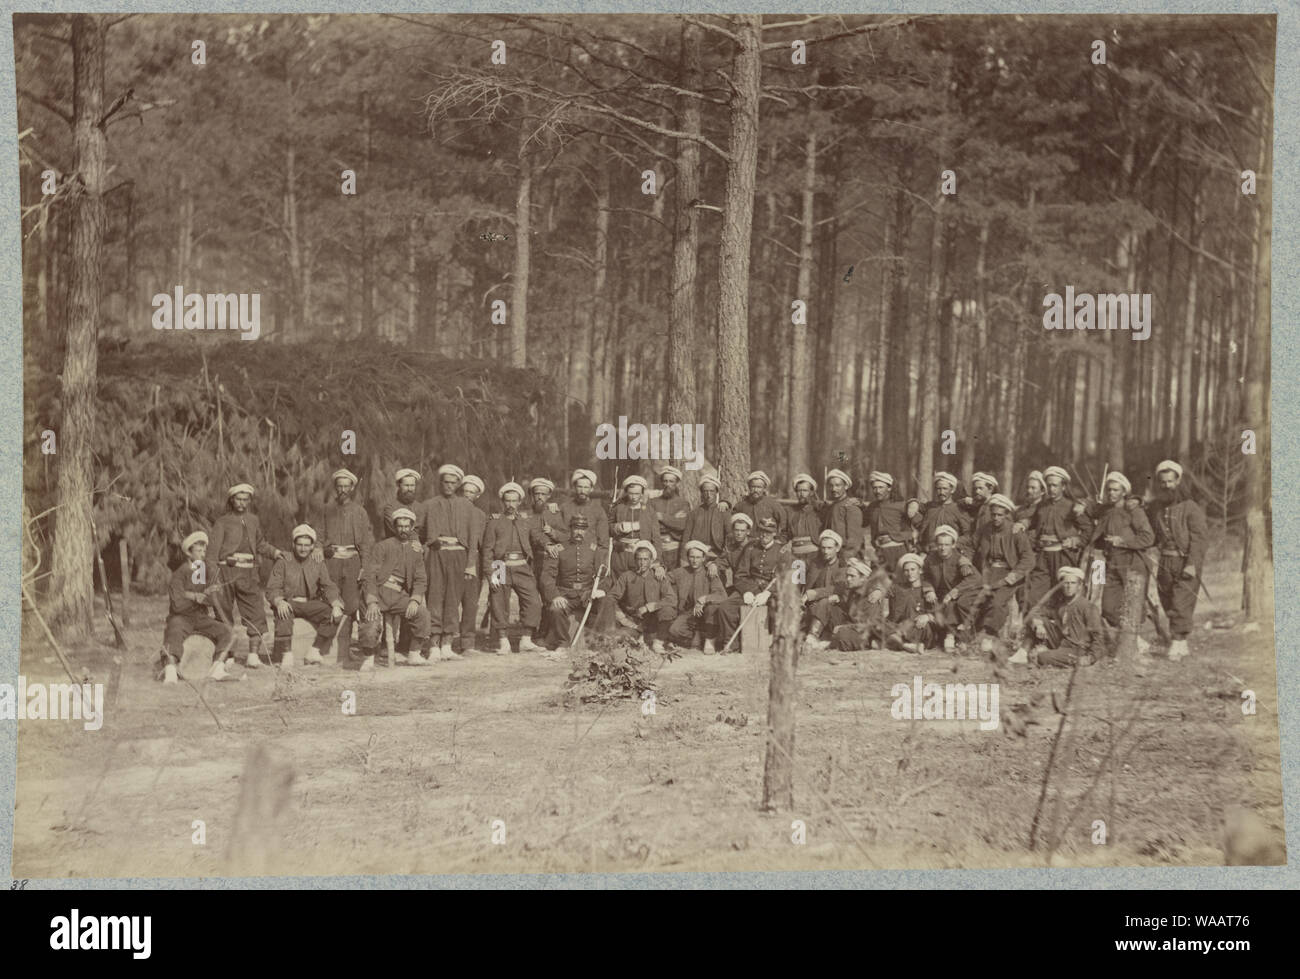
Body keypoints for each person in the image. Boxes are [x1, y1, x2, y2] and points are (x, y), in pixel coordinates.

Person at [208, 482, 284, 668]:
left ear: (249, 501)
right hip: (226, 571)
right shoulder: (222, 522)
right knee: (223, 614)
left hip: (249, 573)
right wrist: (213, 579)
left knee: (256, 611)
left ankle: (253, 655)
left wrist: (275, 553)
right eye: (238, 499)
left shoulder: (253, 520)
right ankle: (228, 655)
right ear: (232, 500)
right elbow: (211, 554)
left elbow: (260, 544)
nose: (241, 503)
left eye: (245, 499)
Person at [358, 508, 432, 670]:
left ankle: (414, 653)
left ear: (412, 527)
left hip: (399, 595)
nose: (403, 529)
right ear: (394, 527)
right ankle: (369, 657)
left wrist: (414, 599)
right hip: (379, 592)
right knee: (371, 624)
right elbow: (370, 576)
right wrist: (371, 601)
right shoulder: (382, 547)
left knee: (422, 614)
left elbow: (421, 578)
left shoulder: (415, 551)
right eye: (400, 526)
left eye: (407, 526)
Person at [1148, 459, 1207, 661]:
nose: (1166, 486)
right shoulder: (1155, 508)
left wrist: (1192, 565)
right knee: (1167, 600)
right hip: (1165, 562)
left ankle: (1177, 641)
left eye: (1170, 481)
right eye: (1163, 482)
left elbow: (1199, 539)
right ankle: (1181, 641)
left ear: (1178, 481)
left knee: (1181, 602)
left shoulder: (1190, 508)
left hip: (1186, 562)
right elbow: (1148, 531)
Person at [266, 524, 346, 669]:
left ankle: (314, 651)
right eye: (300, 545)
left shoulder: (317, 561)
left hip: (309, 603)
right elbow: (273, 587)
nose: (303, 549)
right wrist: (279, 601)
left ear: (312, 546)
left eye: (306, 545)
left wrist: (335, 603)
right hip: (289, 602)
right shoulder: (284, 560)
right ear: (293, 544)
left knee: (332, 614)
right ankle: (286, 654)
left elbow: (328, 584)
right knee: (283, 613)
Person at [422, 463, 479, 661]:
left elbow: (473, 539)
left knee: (453, 601)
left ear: (458, 485)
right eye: (445, 482)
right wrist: (428, 542)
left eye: (453, 483)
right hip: (437, 556)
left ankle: (447, 644)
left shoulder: (467, 506)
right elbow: (418, 531)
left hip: (459, 556)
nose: (449, 486)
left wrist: (471, 564)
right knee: (435, 598)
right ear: (440, 483)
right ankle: (434, 646)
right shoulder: (429, 505)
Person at [159, 531, 233, 683]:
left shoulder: (204, 572)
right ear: (189, 553)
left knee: (226, 631)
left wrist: (212, 594)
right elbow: (178, 605)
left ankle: (217, 668)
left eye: (204, 551)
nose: (203, 554)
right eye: (199, 551)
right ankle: (171, 670)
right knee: (174, 631)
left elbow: (213, 600)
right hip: (181, 617)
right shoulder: (179, 574)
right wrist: (195, 597)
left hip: (201, 618)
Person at [319, 467, 373, 667]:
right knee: (330, 602)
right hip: (331, 562)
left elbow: (366, 543)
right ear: (335, 488)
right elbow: (319, 535)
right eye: (339, 486)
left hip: (352, 562)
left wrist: (364, 567)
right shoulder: (326, 509)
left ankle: (344, 652)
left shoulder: (359, 511)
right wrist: (323, 550)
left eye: (346, 486)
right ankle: (327, 650)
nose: (342, 490)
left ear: (352, 488)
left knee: (350, 605)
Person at [1087, 472, 1155, 633]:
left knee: (1133, 604)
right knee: (1108, 608)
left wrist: (1123, 542)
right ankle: (1125, 636)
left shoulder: (1133, 510)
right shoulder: (1106, 511)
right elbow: (1091, 513)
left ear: (1124, 492)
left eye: (1116, 490)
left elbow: (1148, 537)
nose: (1111, 493)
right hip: (1110, 562)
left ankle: (1134, 641)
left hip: (1133, 562)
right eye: (1109, 490)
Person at [482, 481, 544, 654]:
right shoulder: (494, 522)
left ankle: (525, 639)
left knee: (533, 601)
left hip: (522, 565)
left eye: (514, 501)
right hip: (500, 565)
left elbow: (537, 538)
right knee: (498, 602)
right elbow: (487, 551)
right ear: (503, 501)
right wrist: (490, 574)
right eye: (507, 501)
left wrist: (549, 544)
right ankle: (503, 642)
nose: (510, 504)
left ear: (519, 502)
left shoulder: (526, 521)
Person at [971, 494, 1035, 655]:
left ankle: (990, 634)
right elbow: (972, 543)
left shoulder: (1015, 531)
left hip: (1008, 572)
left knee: (998, 602)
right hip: (988, 571)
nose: (996, 518)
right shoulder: (985, 529)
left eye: (1000, 515)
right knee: (974, 595)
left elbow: (1028, 559)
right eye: (993, 514)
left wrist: (1012, 577)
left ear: (1006, 514)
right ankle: (969, 633)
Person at [714, 515, 789, 649]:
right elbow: (740, 574)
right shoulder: (750, 548)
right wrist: (748, 591)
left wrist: (768, 593)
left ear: (774, 533)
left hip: (771, 590)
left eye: (768, 532)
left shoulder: (782, 551)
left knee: (781, 608)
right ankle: (732, 644)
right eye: (762, 531)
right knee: (725, 608)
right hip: (750, 587)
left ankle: (776, 643)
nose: (764, 534)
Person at [1024, 465, 1092, 611]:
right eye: (1048, 485)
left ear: (1063, 487)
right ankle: (1037, 627)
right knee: (1034, 594)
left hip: (1063, 556)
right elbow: (1032, 522)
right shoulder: (1042, 506)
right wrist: (1024, 523)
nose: (1051, 489)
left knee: (1062, 594)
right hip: (1043, 556)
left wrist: (1076, 541)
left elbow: (1088, 529)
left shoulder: (1072, 506)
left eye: (1055, 485)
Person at [539, 513, 606, 650]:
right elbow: (547, 576)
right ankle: (563, 642)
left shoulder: (594, 549)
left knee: (605, 604)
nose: (579, 532)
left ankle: (598, 642)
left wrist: (596, 590)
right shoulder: (559, 549)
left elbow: (603, 574)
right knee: (555, 609)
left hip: (587, 593)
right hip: (565, 593)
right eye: (576, 528)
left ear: (586, 530)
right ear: (570, 529)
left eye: (582, 529)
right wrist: (555, 595)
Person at [1027, 566, 1107, 666]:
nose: (1069, 586)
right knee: (1039, 621)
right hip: (1063, 642)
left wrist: (1091, 658)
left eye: (1073, 583)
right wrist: (1038, 624)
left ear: (1079, 586)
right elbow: (1037, 612)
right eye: (1066, 583)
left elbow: (1098, 636)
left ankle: (1053, 655)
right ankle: (1032, 650)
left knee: (1043, 657)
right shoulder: (1062, 605)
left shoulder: (1087, 607)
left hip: (1078, 649)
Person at [608, 541, 677, 653]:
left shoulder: (658, 576)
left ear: (651, 561)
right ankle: (638, 638)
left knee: (668, 610)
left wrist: (651, 606)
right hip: (634, 621)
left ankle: (658, 642)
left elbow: (672, 599)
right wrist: (621, 617)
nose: (642, 563)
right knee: (620, 638)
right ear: (635, 560)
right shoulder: (626, 576)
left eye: (645, 559)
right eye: (639, 559)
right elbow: (611, 597)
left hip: (653, 619)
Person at [922, 524, 982, 652]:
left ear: (953, 545)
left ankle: (954, 636)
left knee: (953, 604)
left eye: (946, 544)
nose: (942, 548)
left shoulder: (960, 559)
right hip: (938, 594)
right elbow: (925, 576)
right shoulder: (930, 558)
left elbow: (975, 579)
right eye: (940, 544)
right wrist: (929, 590)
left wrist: (955, 592)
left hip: (957, 593)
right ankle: (935, 635)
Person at [666, 540, 727, 652]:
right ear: (687, 557)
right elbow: (664, 579)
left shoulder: (710, 573)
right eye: (692, 557)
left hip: (705, 612)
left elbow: (722, 596)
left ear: (704, 558)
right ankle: (696, 635)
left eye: (698, 557)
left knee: (712, 608)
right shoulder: (680, 572)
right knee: (673, 630)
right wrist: (658, 569)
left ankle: (709, 639)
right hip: (689, 613)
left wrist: (704, 599)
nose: (694, 560)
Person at [829, 557, 890, 651]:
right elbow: (849, 613)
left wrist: (844, 627)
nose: (848, 579)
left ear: (863, 578)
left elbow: (869, 624)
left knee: (842, 634)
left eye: (852, 576)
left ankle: (872, 644)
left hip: (866, 633)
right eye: (847, 576)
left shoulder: (871, 595)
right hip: (853, 628)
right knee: (829, 608)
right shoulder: (853, 592)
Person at [458, 474, 489, 653]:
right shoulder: (453, 509)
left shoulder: (480, 515)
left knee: (471, 603)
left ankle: (467, 643)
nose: (467, 495)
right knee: (450, 601)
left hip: (474, 560)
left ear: (477, 496)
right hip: (455, 557)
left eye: (472, 492)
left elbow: (484, 542)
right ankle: (443, 642)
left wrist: (485, 570)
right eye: (465, 491)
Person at [801, 529, 848, 648]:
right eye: (823, 548)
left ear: (837, 548)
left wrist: (814, 593)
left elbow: (838, 589)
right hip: (812, 607)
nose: (825, 551)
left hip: (836, 610)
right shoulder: (815, 564)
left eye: (829, 548)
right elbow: (802, 582)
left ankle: (812, 636)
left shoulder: (843, 566)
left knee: (824, 602)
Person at [610, 475, 661, 575]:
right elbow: (606, 529)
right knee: (618, 582)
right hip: (620, 555)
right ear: (626, 493)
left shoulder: (649, 511)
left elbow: (656, 537)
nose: (634, 497)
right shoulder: (618, 508)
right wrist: (617, 527)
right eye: (631, 493)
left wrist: (657, 560)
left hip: (641, 556)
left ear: (642, 493)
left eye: (637, 494)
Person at [864, 471, 911, 572]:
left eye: (881, 487)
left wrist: (915, 502)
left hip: (898, 551)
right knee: (877, 584)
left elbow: (919, 522)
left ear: (889, 488)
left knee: (900, 582)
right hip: (879, 552)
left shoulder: (901, 505)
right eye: (874, 488)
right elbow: (862, 522)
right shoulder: (871, 507)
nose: (877, 491)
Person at [912, 471, 971, 551]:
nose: (941, 492)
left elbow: (967, 535)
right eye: (938, 489)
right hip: (928, 551)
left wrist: (952, 544)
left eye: (945, 489)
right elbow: (919, 522)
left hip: (949, 552)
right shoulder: (930, 507)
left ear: (952, 490)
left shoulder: (958, 509)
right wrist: (913, 503)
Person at [681, 473, 728, 565]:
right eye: (705, 491)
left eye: (712, 491)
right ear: (701, 493)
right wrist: (683, 559)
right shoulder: (694, 513)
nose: (708, 495)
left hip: (717, 556)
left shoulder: (723, 512)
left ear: (716, 492)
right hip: (696, 555)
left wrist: (722, 558)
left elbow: (729, 537)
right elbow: (686, 538)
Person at [649, 465, 690, 567]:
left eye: (671, 481)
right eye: (665, 481)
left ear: (677, 483)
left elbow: (683, 525)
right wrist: (673, 519)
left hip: (675, 550)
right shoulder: (653, 502)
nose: (668, 484)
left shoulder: (683, 504)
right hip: (656, 550)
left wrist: (662, 517)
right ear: (662, 482)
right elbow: (650, 525)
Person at [560, 469, 610, 550]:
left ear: (591, 489)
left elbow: (603, 542)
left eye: (586, 487)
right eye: (579, 487)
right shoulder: (564, 508)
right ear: (574, 487)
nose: (582, 491)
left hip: (590, 556)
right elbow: (556, 533)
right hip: (567, 554)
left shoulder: (598, 511)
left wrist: (600, 561)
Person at [822, 468, 864, 560]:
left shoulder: (851, 507)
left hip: (846, 556)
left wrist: (847, 556)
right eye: (831, 485)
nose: (833, 489)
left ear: (845, 486)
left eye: (838, 485)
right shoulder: (831, 507)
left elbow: (855, 539)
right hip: (831, 555)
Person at [734, 470, 788, 538]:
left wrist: (780, 539)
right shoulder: (741, 505)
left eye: (759, 487)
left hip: (766, 542)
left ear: (764, 488)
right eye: (753, 487)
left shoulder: (773, 504)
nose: (755, 490)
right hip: (747, 543)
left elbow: (784, 522)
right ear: (749, 487)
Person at [383, 468, 423, 537]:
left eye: (412, 485)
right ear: (399, 486)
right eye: (406, 485)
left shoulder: (420, 507)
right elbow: (399, 532)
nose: (409, 489)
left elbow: (424, 531)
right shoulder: (390, 508)